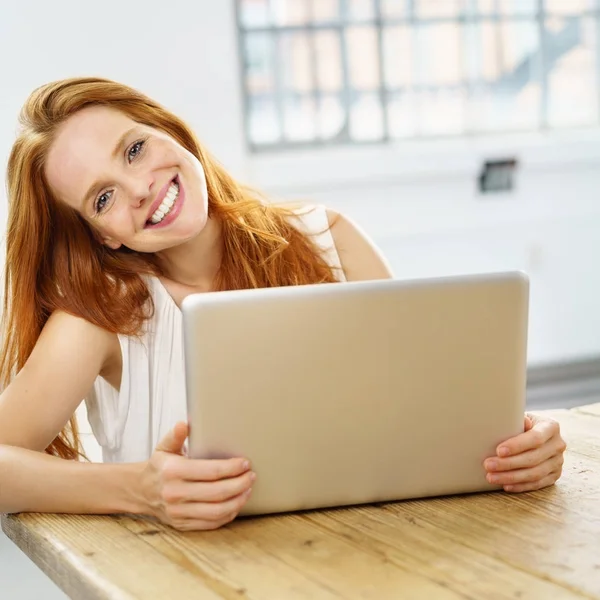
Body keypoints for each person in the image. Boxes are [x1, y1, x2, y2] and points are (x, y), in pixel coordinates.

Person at [0, 77, 566, 531]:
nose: (139, 188)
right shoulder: (103, 318)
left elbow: (434, 411)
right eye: (103, 198)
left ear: (169, 131)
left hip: (364, 555)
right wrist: (138, 491)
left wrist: (523, 445)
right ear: (103, 236)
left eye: (134, 149)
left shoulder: (330, 239)